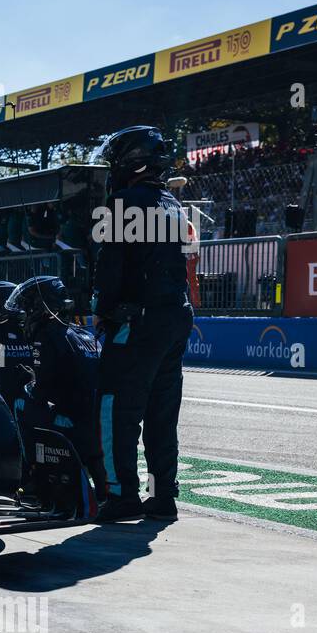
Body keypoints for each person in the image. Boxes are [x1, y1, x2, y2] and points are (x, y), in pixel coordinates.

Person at [91, 125, 193, 521]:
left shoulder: (121, 202)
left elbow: (110, 265)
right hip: (175, 316)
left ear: (131, 163)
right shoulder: (172, 202)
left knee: (115, 407)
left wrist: (102, 307)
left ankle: (121, 496)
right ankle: (163, 495)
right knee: (162, 411)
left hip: (138, 320)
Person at [4, 276, 105, 501]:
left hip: (73, 425)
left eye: (28, 307)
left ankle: (30, 477)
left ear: (39, 306)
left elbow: (40, 392)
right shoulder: (83, 333)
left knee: (21, 400)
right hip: (98, 426)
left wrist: (29, 379)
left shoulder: (46, 335)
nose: (24, 313)